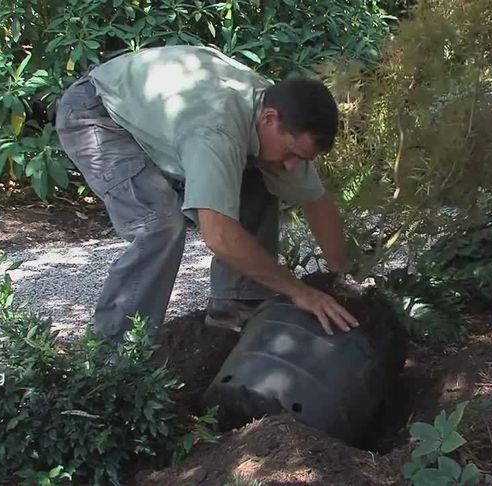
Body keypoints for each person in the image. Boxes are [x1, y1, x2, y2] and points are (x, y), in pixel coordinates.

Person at [54, 45, 360, 344]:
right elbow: (218, 234)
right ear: (269, 119)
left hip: (167, 115)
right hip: (97, 113)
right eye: (292, 153)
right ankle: (117, 355)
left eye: (302, 159)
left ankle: (237, 312)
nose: (293, 166)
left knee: (262, 174)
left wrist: (338, 278)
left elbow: (317, 201)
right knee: (159, 225)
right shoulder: (218, 130)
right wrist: (300, 291)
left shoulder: (284, 123)